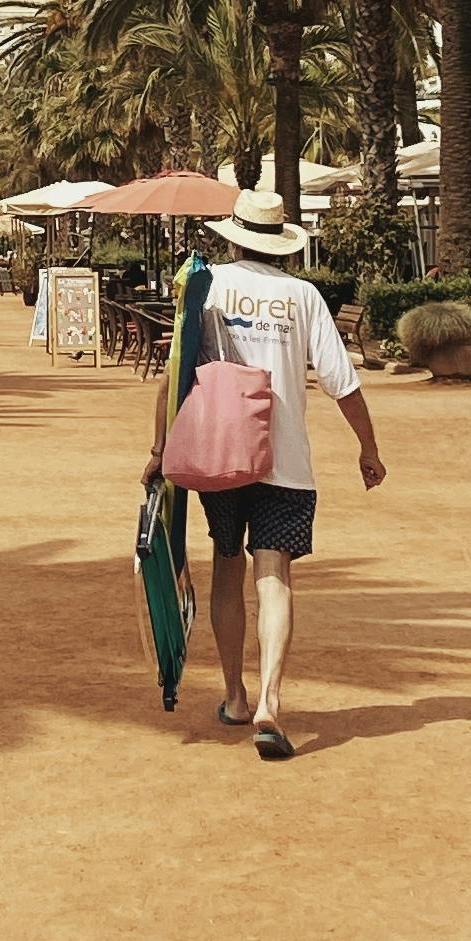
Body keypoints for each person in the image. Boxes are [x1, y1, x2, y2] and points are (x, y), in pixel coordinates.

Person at [144, 187, 385, 762]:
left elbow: (176, 371)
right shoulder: (303, 296)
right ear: (281, 243)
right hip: (286, 460)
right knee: (273, 573)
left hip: (221, 453)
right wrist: (368, 448)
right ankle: (270, 703)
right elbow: (341, 382)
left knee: (228, 563)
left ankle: (235, 696)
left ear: (235, 237)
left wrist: (158, 448)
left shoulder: (207, 287)